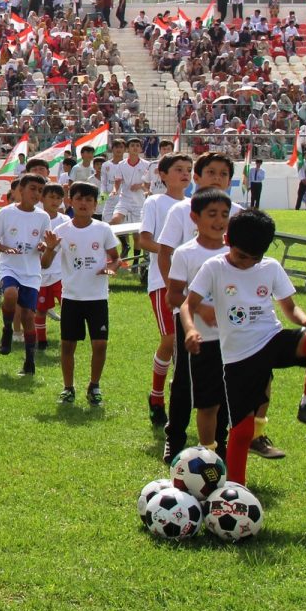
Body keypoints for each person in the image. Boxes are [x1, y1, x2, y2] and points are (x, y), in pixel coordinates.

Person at [186, 209, 306, 487]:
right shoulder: (214, 267)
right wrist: (191, 329)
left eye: (253, 259)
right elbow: (188, 305)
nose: (246, 264)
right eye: (241, 256)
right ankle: (236, 490)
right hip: (239, 358)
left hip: (271, 339)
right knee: (242, 431)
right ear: (228, 239)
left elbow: (289, 308)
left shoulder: (270, 268)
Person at [167, 188, 236, 463]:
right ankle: (175, 440)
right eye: (212, 215)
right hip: (193, 333)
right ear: (195, 218)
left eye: (224, 215)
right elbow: (173, 294)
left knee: (224, 390)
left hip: (228, 336)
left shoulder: (234, 253)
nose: (219, 221)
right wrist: (202, 309)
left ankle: (219, 446)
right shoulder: (186, 253)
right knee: (186, 387)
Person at [41, 181, 119, 406]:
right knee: (68, 345)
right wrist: (49, 247)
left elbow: (115, 257)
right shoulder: (61, 231)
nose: (83, 203)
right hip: (72, 298)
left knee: (100, 344)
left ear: (95, 204)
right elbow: (45, 264)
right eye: (79, 199)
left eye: (89, 200)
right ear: (71, 201)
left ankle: (94, 385)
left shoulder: (103, 229)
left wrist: (110, 269)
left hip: (97, 298)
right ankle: (68, 388)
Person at [134, 153, 194, 427]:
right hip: (163, 281)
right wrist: (173, 253)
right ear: (162, 174)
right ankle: (157, 396)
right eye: (179, 169)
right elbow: (144, 240)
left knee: (189, 343)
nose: (185, 174)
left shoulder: (195, 205)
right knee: (170, 339)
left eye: (189, 169)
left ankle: (182, 395)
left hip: (193, 285)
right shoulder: (155, 202)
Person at [0, 173, 52, 376]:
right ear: (20, 190)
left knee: (28, 317)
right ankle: (7, 330)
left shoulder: (43, 217)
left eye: (40, 191)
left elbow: (45, 242)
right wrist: (5, 248)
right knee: (10, 295)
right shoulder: (6, 213)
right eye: (32, 188)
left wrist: (44, 245)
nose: (36, 193)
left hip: (31, 272)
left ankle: (29, 362)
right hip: (9, 267)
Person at [30, 182, 68, 350]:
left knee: (66, 307)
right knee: (41, 309)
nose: (55, 201)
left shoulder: (65, 220)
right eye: (51, 197)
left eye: (58, 198)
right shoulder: (35, 218)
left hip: (60, 273)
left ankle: (68, 338)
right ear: (42, 198)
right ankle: (42, 340)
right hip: (40, 274)